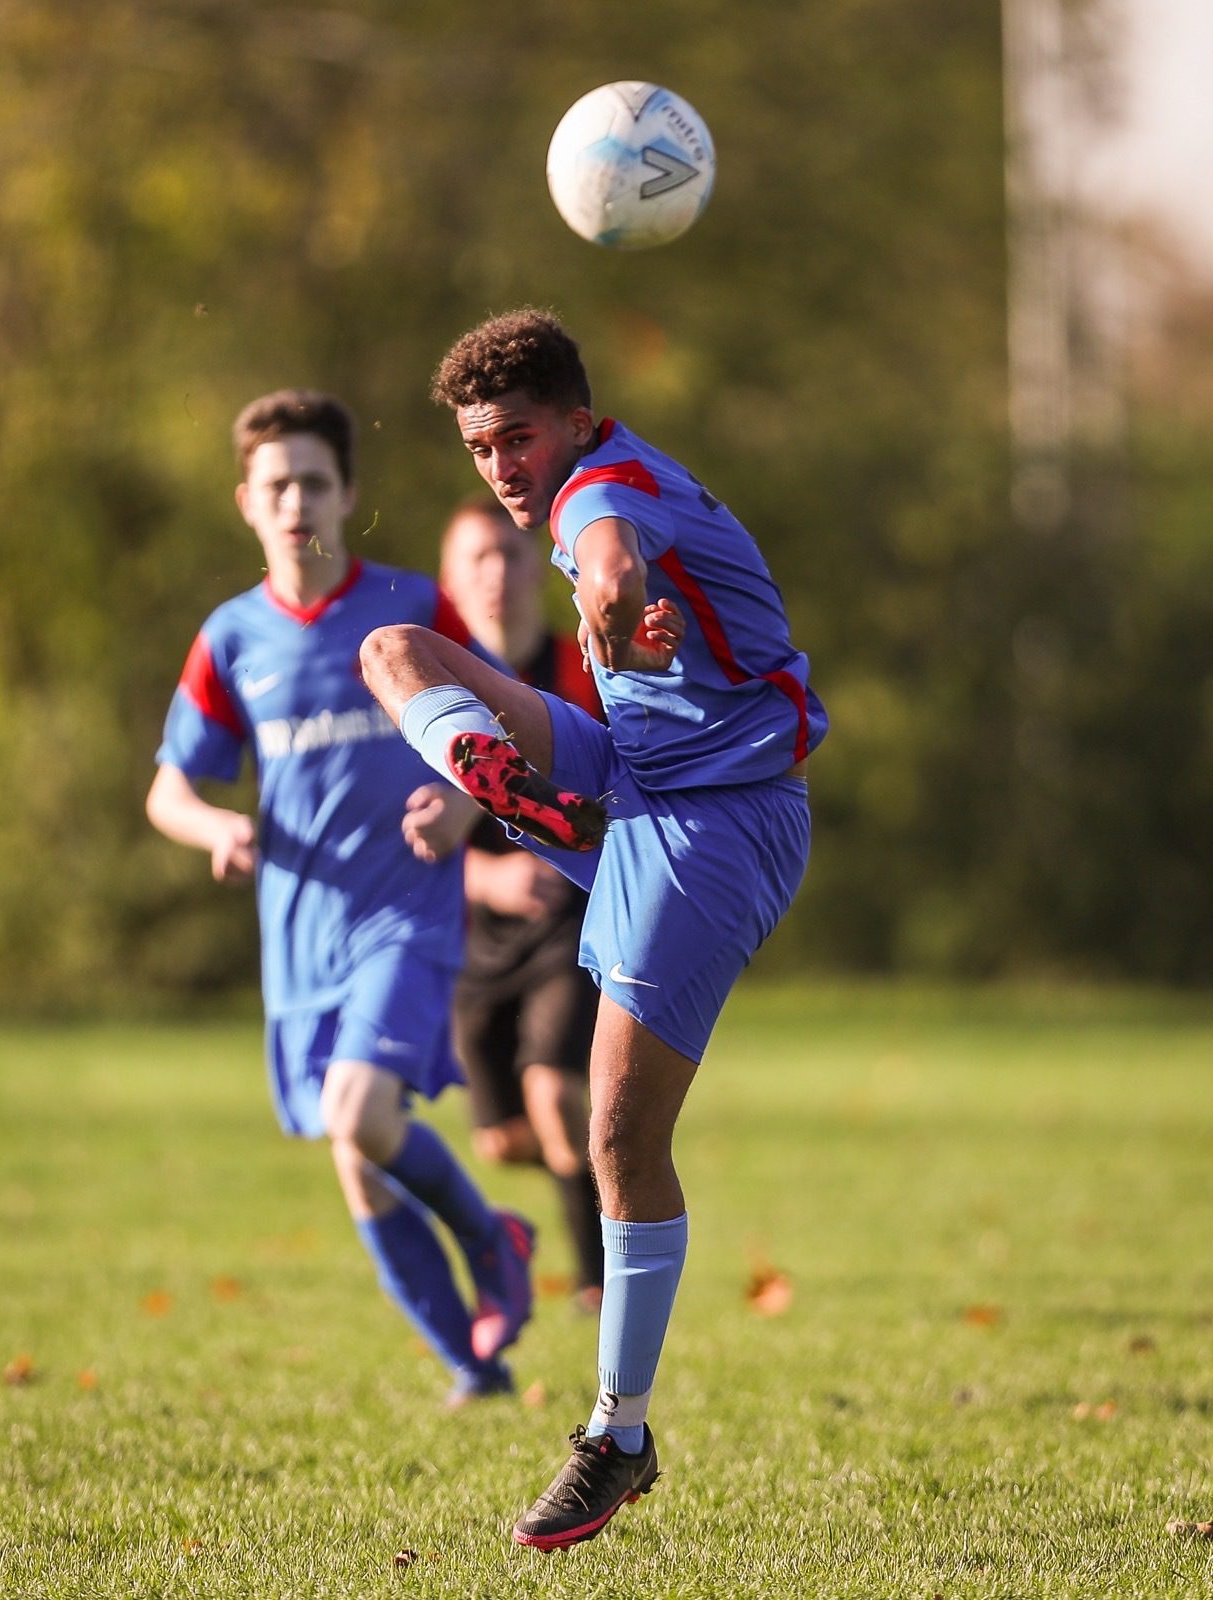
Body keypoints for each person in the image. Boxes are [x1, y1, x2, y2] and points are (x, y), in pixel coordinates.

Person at [359, 309, 828, 1548]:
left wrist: (611, 610)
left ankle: (616, 1436)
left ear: (573, 420)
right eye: (478, 448)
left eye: (516, 437)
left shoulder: (597, 490)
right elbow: (613, 576)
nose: (502, 466)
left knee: (618, 1135)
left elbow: (607, 559)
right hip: (628, 779)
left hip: (715, 820)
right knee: (396, 647)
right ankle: (489, 780)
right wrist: (602, 637)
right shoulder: (605, 481)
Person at [145, 388, 535, 1409]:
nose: (295, 501)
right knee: (358, 1164)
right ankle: (474, 1367)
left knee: (358, 1113)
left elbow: (507, 715)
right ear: (246, 501)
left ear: (346, 491)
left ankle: (494, 1239)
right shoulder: (231, 639)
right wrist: (215, 824)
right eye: (276, 484)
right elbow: (169, 789)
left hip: (404, 914)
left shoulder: (411, 610)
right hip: (297, 933)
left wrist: (460, 803)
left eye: (314, 481)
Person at [438, 495, 605, 1312]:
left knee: (554, 1092)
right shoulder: (428, 686)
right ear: (450, 581)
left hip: (571, 919)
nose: (496, 573)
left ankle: (598, 1280)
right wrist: (488, 879)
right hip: (475, 933)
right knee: (502, 1141)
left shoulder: (582, 671)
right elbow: (404, 840)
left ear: (536, 569)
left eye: (509, 554)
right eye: (477, 558)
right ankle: (617, 1166)